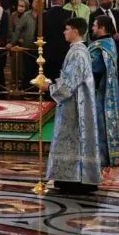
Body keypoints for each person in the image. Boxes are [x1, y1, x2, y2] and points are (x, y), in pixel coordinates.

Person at [47, 19, 102, 194]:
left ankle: (75, 180)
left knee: (74, 139)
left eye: (67, 29)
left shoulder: (79, 53)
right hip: (74, 103)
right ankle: (69, 179)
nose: (64, 32)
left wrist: (49, 87)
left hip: (75, 106)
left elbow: (70, 83)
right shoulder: (76, 51)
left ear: (76, 31)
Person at [88, 15, 119, 168]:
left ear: (102, 28)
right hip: (107, 89)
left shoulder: (101, 46)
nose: (92, 28)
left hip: (101, 91)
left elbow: (95, 68)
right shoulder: (109, 43)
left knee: (100, 123)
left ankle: (102, 156)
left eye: (95, 26)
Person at [41, 0, 72, 79]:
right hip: (64, 51)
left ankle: (48, 93)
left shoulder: (44, 15)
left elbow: (38, 34)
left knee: (48, 77)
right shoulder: (69, 14)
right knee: (61, 77)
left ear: (51, 0)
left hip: (47, 51)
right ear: (62, 0)